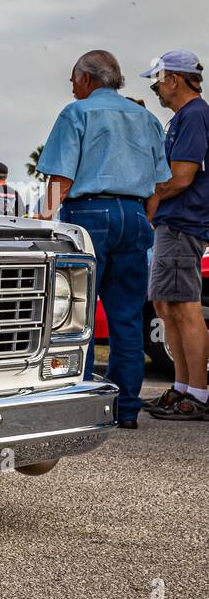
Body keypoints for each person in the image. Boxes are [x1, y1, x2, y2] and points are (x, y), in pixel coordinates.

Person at [37, 49, 171, 429]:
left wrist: (40, 223)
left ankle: (76, 405)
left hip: (89, 214)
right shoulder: (147, 118)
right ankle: (126, 409)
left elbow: (59, 181)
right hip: (133, 215)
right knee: (127, 317)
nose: (71, 85)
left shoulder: (76, 113)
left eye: (72, 78)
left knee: (73, 314)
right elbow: (159, 183)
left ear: (86, 78)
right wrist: (139, 217)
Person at [140, 49, 209, 420]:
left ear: (175, 79)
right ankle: (182, 388)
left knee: (185, 308)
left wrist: (151, 198)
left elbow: (181, 178)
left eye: (158, 80)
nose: (156, 88)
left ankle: (197, 393)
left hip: (184, 222)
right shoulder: (184, 117)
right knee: (167, 307)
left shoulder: (195, 115)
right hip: (174, 223)